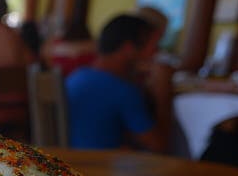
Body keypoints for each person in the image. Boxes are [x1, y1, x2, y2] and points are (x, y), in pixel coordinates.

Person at [66, 14, 172, 153]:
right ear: (128, 49)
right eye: (153, 47)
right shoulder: (123, 91)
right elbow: (159, 146)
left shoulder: (78, 76)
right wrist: (163, 92)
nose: (156, 53)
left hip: (69, 161)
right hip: (98, 166)